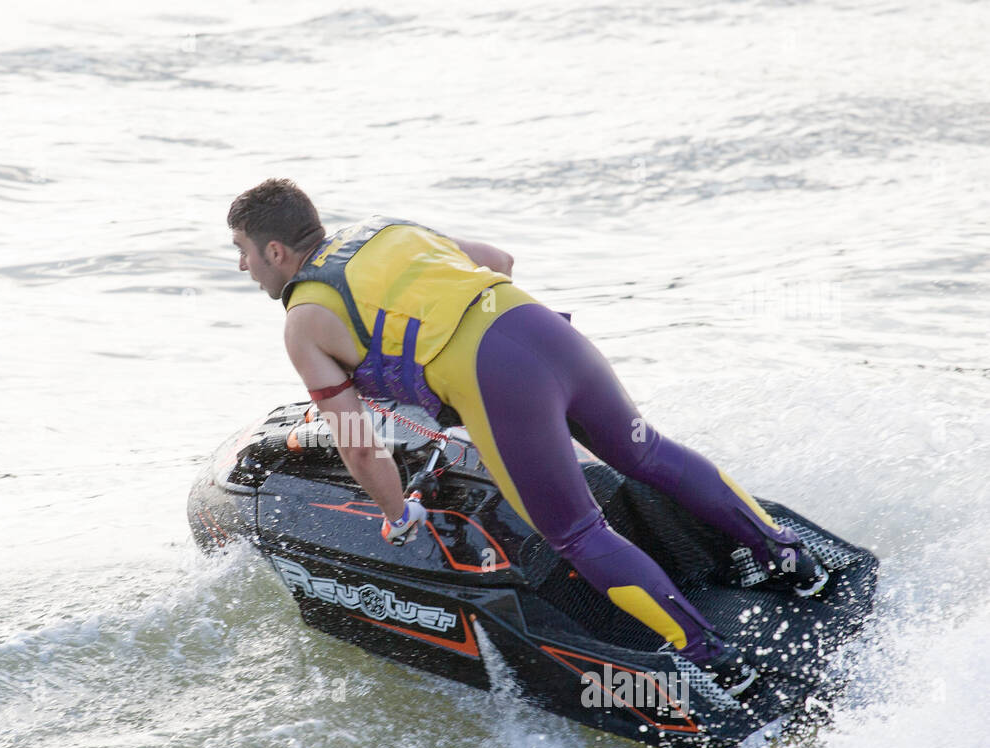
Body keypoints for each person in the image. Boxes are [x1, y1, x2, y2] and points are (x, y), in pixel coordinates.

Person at [226, 178, 828, 693]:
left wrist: (398, 513)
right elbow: (500, 260)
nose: (242, 267)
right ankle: (790, 558)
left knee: (578, 532)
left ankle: (711, 660)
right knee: (648, 452)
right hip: (544, 331)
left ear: (275, 251)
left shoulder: (305, 321)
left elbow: (359, 445)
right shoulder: (384, 231)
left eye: (243, 252)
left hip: (501, 383)